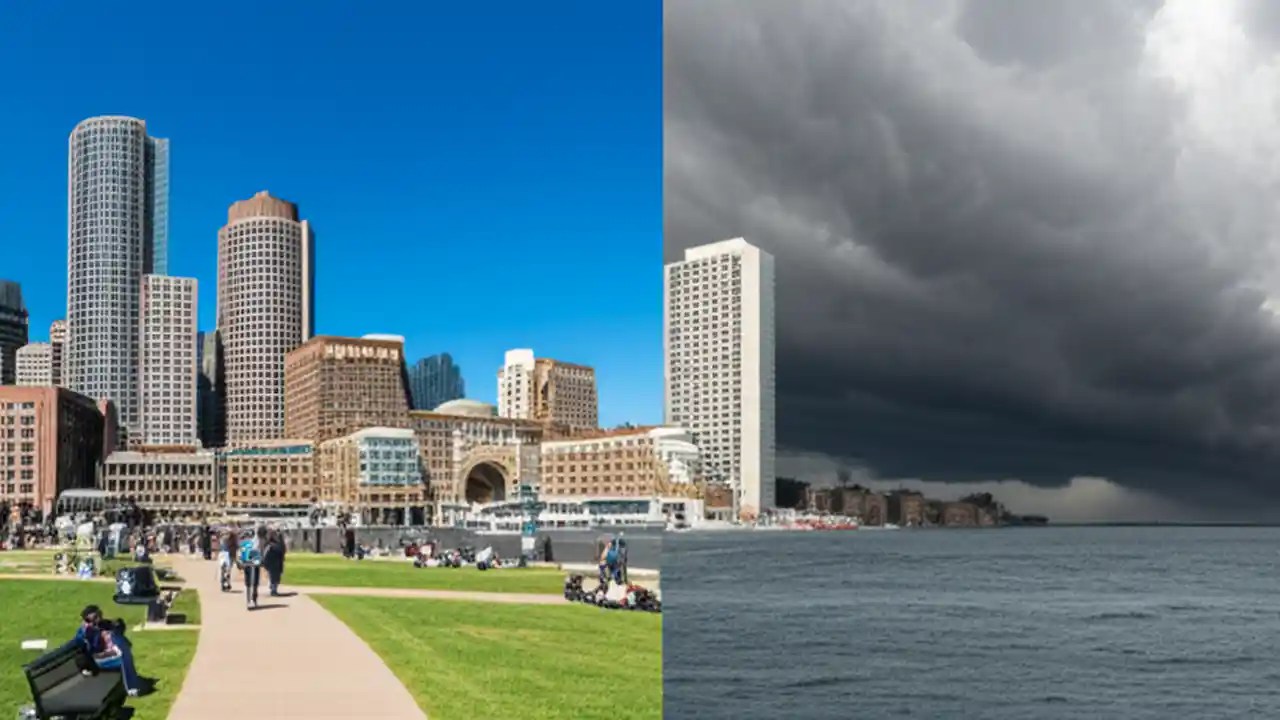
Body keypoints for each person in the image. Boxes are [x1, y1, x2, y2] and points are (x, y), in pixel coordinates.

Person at [66, 605, 141, 697]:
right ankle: (131, 688)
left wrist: (118, 625)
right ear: (89, 619)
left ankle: (132, 685)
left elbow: (118, 628)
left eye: (100, 614)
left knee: (123, 651)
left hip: (110, 654)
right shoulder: (85, 631)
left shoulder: (103, 624)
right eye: (96, 616)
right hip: (98, 659)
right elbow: (85, 648)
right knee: (123, 657)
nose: (100, 618)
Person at [236, 527, 266, 609]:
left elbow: (260, 552)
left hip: (255, 564)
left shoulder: (258, 542)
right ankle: (249, 600)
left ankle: (254, 599)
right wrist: (240, 561)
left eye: (249, 536)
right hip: (247, 565)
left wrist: (261, 560)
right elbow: (240, 553)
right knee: (248, 583)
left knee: (255, 582)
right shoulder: (244, 543)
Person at [262, 530, 285, 596]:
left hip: (275, 562)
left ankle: (273, 588)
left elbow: (281, 553)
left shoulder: (277, 543)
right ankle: (273, 589)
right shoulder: (270, 544)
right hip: (273, 562)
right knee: (274, 576)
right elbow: (265, 553)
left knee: (274, 576)